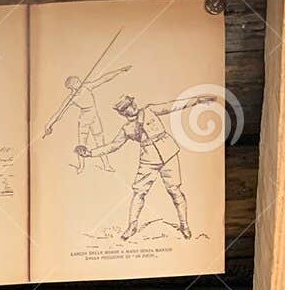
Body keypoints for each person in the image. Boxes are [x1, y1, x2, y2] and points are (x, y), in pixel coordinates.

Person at [75, 91, 218, 239]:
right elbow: (113, 146)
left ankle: (184, 225)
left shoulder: (149, 110)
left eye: (131, 102)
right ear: (122, 113)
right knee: (139, 192)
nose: (132, 106)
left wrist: (197, 100)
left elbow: (172, 106)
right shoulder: (127, 129)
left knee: (174, 190)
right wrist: (90, 153)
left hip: (169, 154)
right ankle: (132, 227)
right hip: (148, 160)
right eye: (127, 106)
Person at [58, 65, 128, 173]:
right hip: (84, 121)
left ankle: (106, 165)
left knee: (100, 142)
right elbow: (59, 113)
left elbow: (103, 79)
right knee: (82, 145)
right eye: (76, 82)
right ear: (72, 86)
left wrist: (119, 71)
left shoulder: (86, 87)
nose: (79, 82)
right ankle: (81, 166)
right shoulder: (71, 98)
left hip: (95, 119)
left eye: (78, 80)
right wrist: (48, 126)